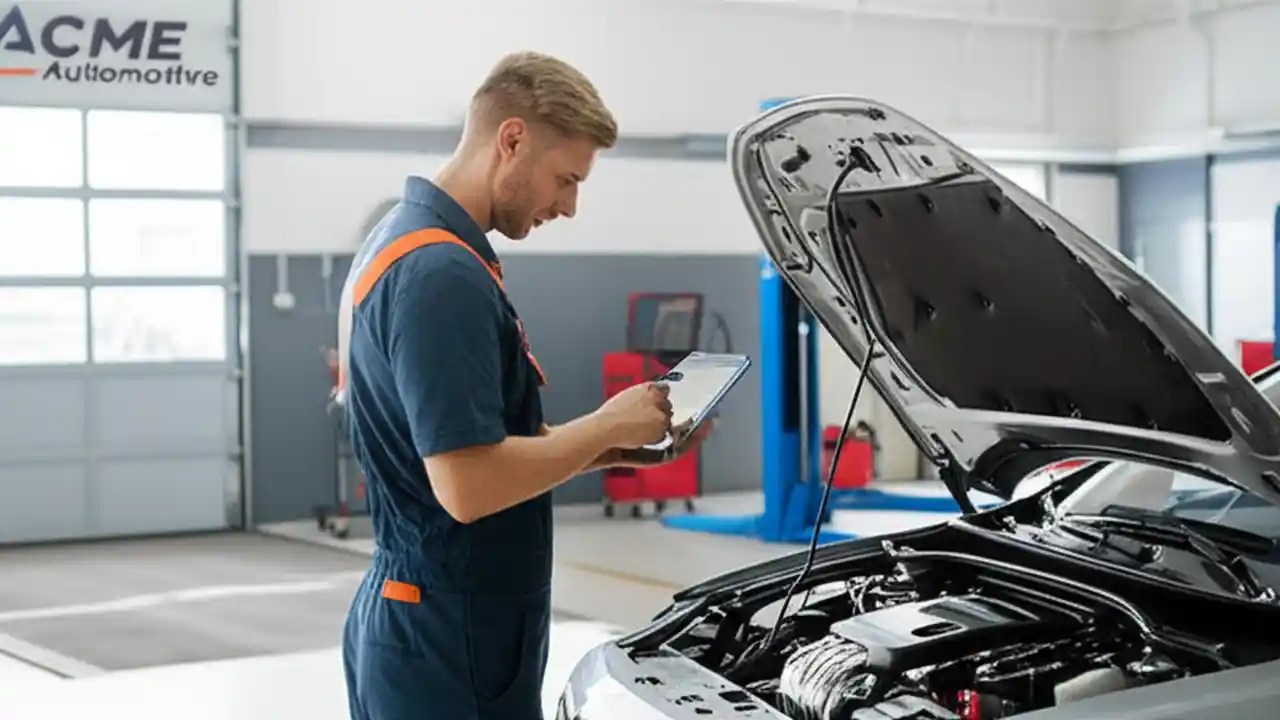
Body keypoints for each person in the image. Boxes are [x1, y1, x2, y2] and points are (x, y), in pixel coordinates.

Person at [335, 51, 712, 720]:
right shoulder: (439, 276)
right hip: (450, 637)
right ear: (511, 140)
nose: (568, 206)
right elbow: (468, 485)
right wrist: (603, 426)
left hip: (439, 623)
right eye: (565, 179)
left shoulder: (413, 244)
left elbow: (488, 451)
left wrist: (617, 445)